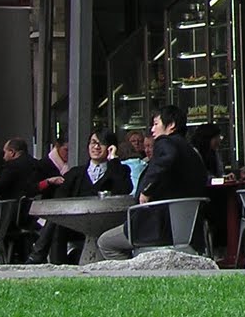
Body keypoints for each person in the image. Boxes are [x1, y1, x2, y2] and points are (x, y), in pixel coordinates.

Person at [98, 105, 211, 258]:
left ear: (171, 125)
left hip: (158, 228)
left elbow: (167, 158)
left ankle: (134, 276)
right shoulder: (191, 151)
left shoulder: (166, 142)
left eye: (156, 124)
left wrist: (147, 190)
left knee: (105, 242)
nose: (152, 129)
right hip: (189, 231)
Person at [29, 131, 134, 264]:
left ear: (110, 147)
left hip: (106, 223)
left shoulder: (119, 170)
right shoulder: (75, 173)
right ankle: (58, 266)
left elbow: (124, 189)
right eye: (93, 143)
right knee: (58, 222)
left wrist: (113, 159)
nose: (96, 147)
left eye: (102, 143)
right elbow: (60, 196)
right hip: (76, 225)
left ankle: (37, 255)